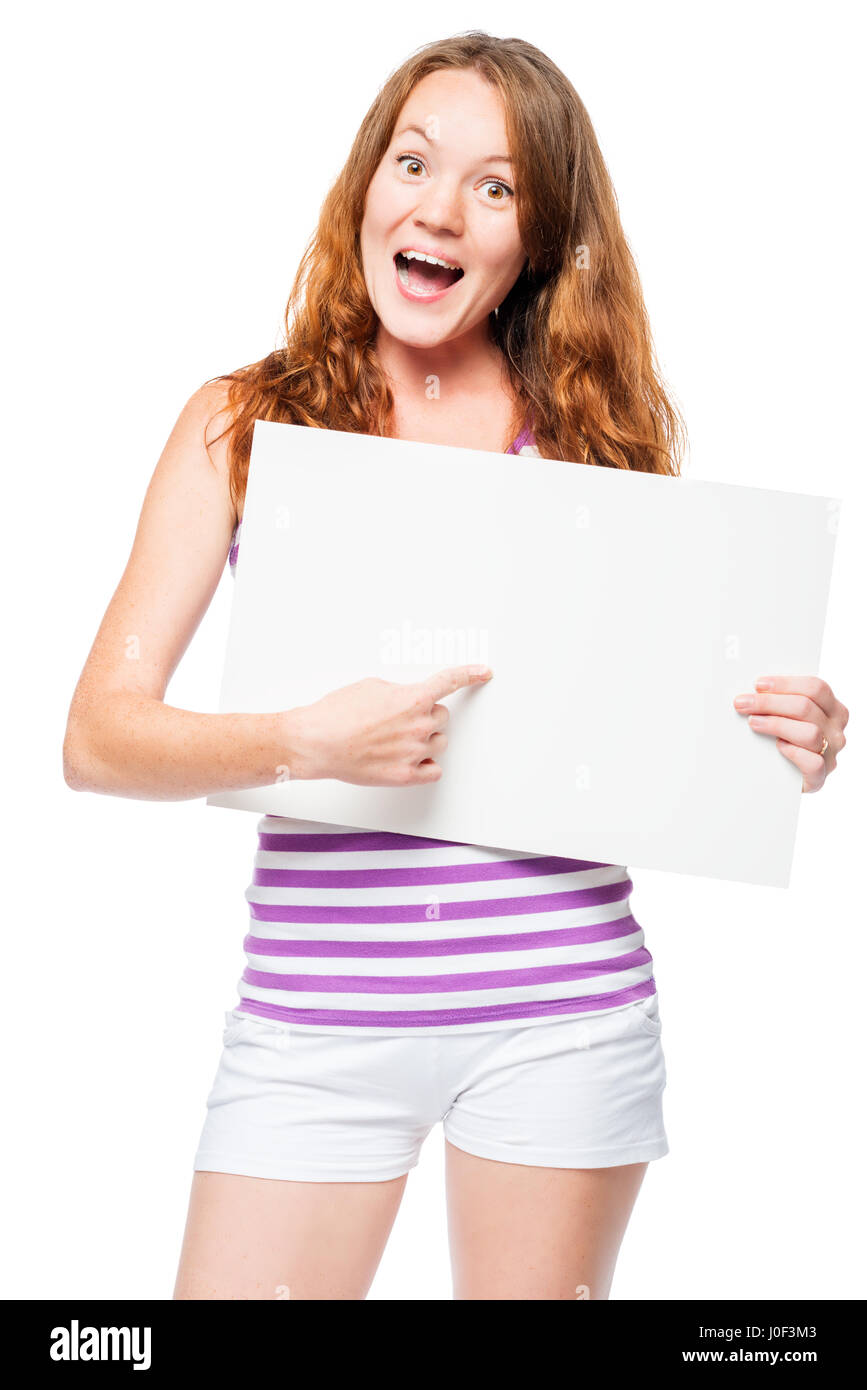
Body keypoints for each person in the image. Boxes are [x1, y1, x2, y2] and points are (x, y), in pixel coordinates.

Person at [62, 32, 849, 1301]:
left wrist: (790, 738)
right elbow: (98, 737)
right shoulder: (243, 423)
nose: (438, 207)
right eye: (413, 161)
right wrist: (301, 742)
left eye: (496, 185)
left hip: (563, 1017)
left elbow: (663, 733)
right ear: (365, 185)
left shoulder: (601, 443)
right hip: (311, 1024)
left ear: (537, 237)